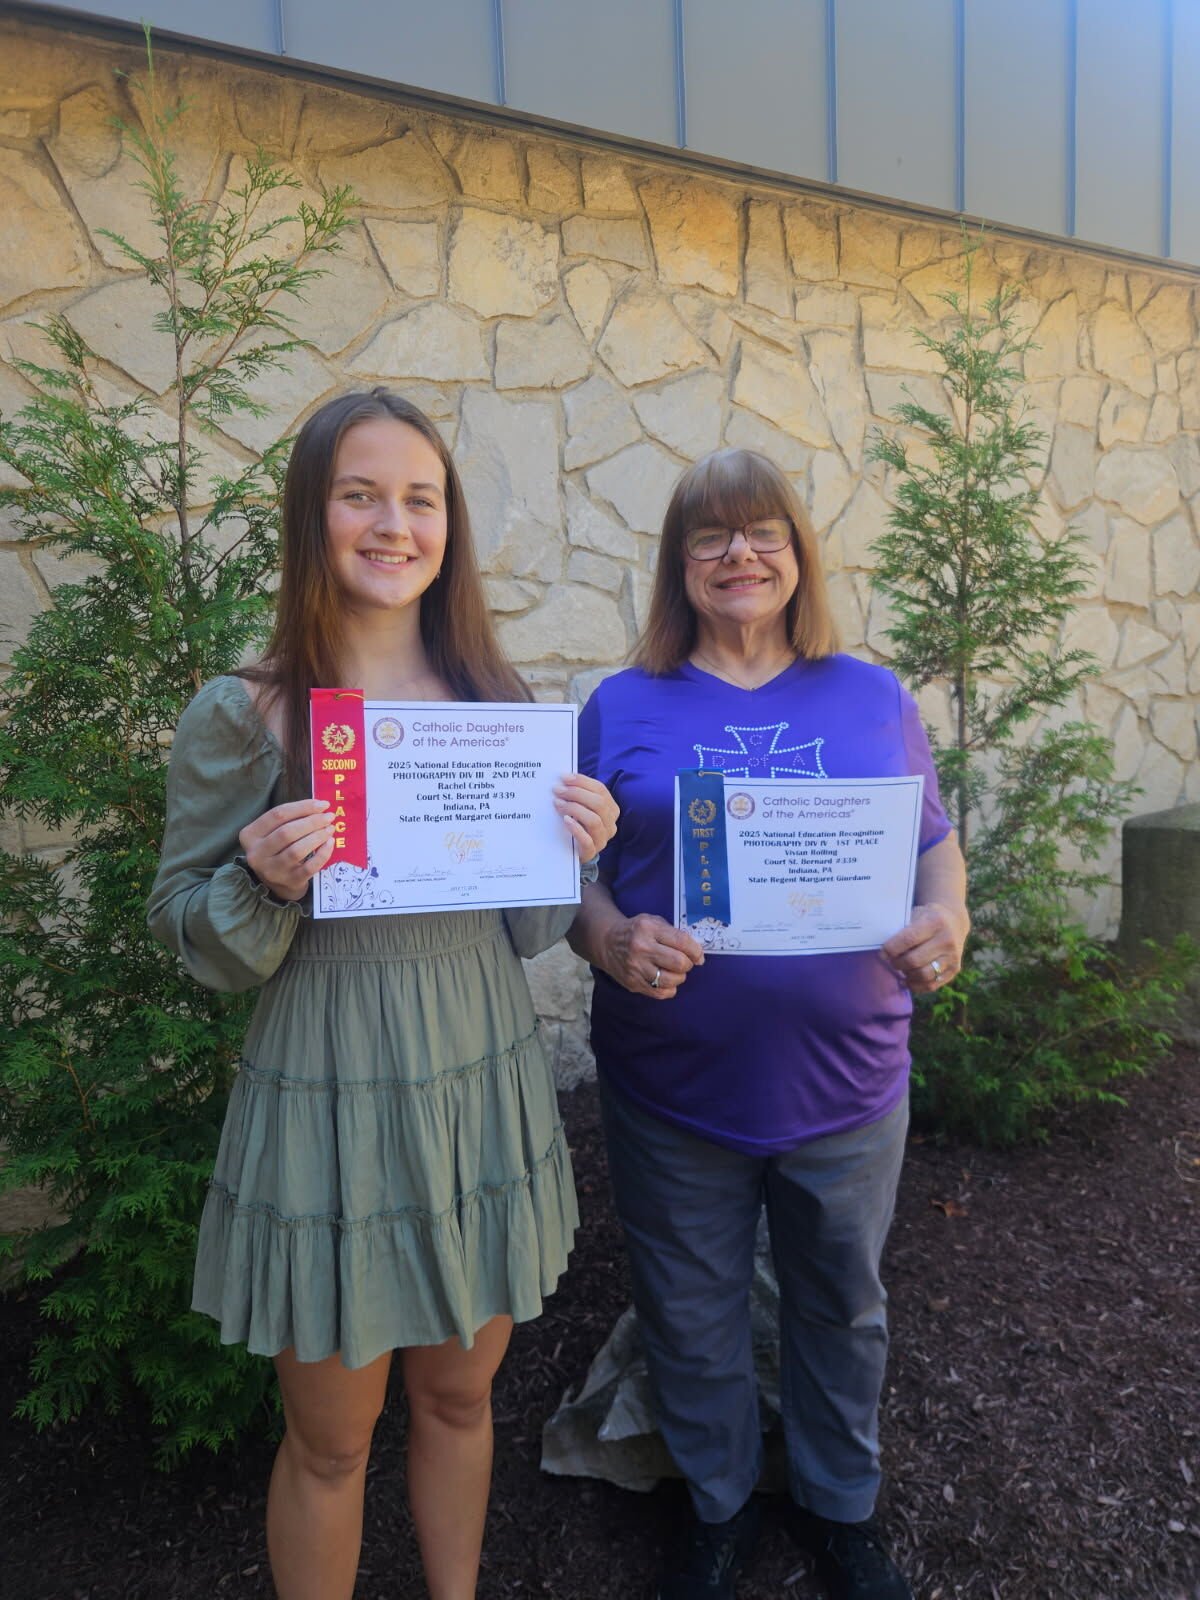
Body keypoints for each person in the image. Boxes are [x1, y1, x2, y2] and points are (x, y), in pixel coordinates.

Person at [147, 388, 617, 1600]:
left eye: (420, 498)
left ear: (448, 525)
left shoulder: (497, 710)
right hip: (330, 1086)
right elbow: (189, 934)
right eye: (360, 494)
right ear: (313, 515)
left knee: (460, 1399)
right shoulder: (248, 712)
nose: (393, 524)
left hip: (476, 1074)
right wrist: (259, 877)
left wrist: (570, 851)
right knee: (332, 1440)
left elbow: (530, 928)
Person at [570, 447, 969, 1600]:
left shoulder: (873, 696)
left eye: (763, 531)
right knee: (689, 1310)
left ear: (798, 553)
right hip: (670, 1083)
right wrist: (610, 937)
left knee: (841, 1305)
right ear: (679, 562)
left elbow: (933, 841)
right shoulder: (621, 705)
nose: (739, 554)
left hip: (849, 1078)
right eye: (711, 535)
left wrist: (948, 917)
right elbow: (569, 875)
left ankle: (842, 1509)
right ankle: (719, 1504)